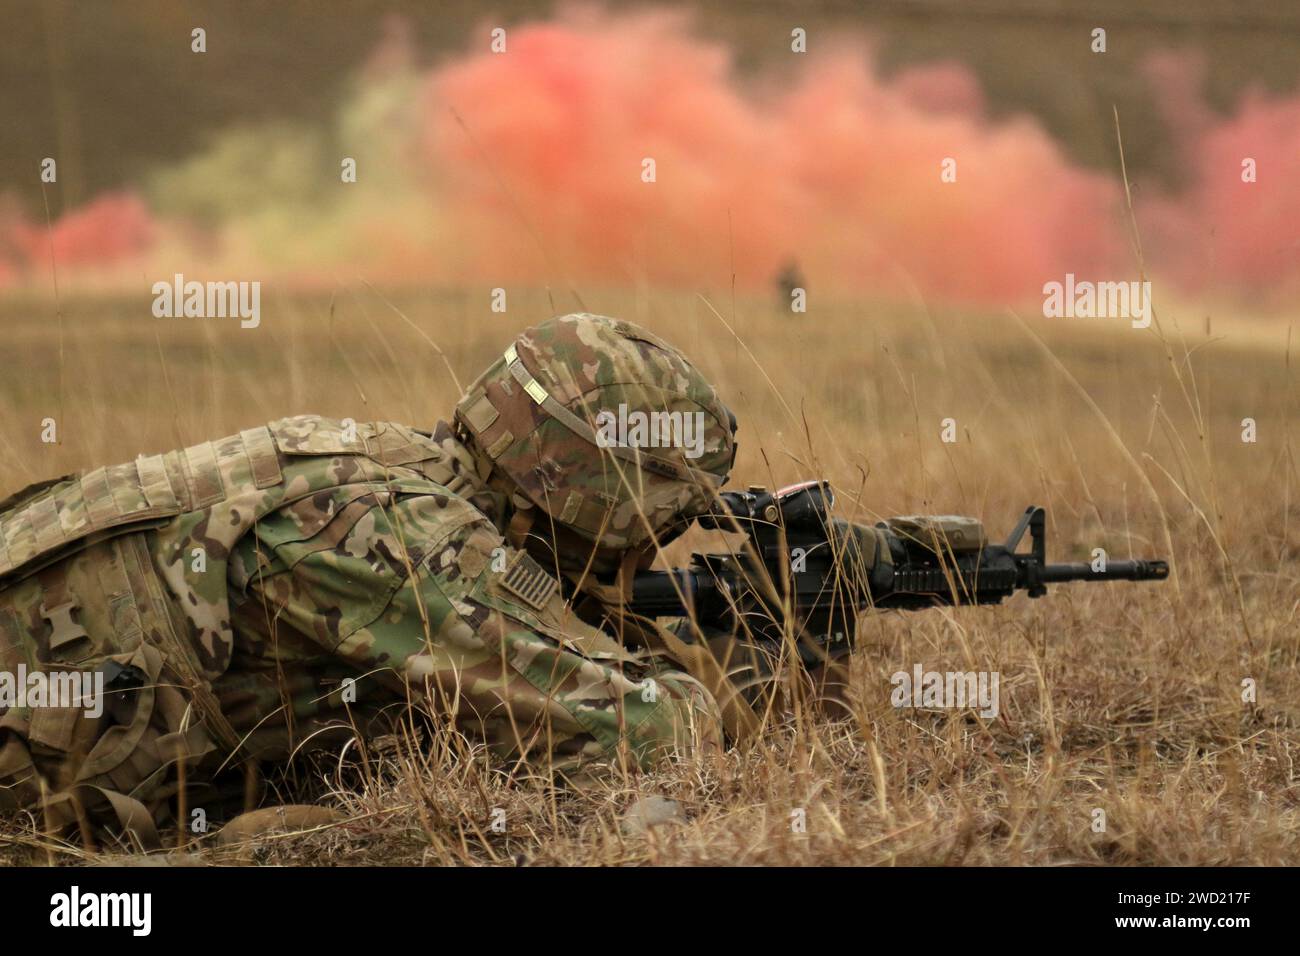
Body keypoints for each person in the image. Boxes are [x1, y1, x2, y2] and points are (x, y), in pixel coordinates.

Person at [0, 313, 752, 848]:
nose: (650, 559)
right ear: (593, 502)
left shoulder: (386, 465)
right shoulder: (404, 541)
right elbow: (647, 732)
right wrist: (735, 671)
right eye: (659, 529)